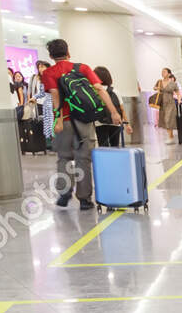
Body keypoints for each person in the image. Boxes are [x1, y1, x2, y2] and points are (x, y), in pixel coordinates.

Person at [37, 37, 121, 209]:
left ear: (51, 56)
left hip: (65, 122)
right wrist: (113, 112)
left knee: (64, 158)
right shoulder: (82, 68)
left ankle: (64, 192)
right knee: (84, 160)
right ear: (68, 52)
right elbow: (99, 89)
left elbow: (55, 96)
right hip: (84, 121)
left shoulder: (49, 73)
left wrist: (58, 120)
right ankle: (84, 199)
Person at [92, 65, 125, 146]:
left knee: (103, 145)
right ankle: (115, 158)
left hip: (99, 122)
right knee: (115, 144)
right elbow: (122, 108)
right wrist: (126, 123)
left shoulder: (93, 91)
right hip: (115, 122)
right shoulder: (115, 91)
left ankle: (104, 159)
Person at [153, 67, 179, 142]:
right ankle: (170, 136)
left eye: (164, 72)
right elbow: (154, 87)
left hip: (170, 103)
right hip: (162, 103)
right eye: (162, 72)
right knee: (164, 120)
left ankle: (170, 138)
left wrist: (179, 99)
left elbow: (177, 91)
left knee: (168, 119)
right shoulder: (159, 81)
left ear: (169, 74)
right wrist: (157, 87)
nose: (162, 73)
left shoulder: (172, 83)